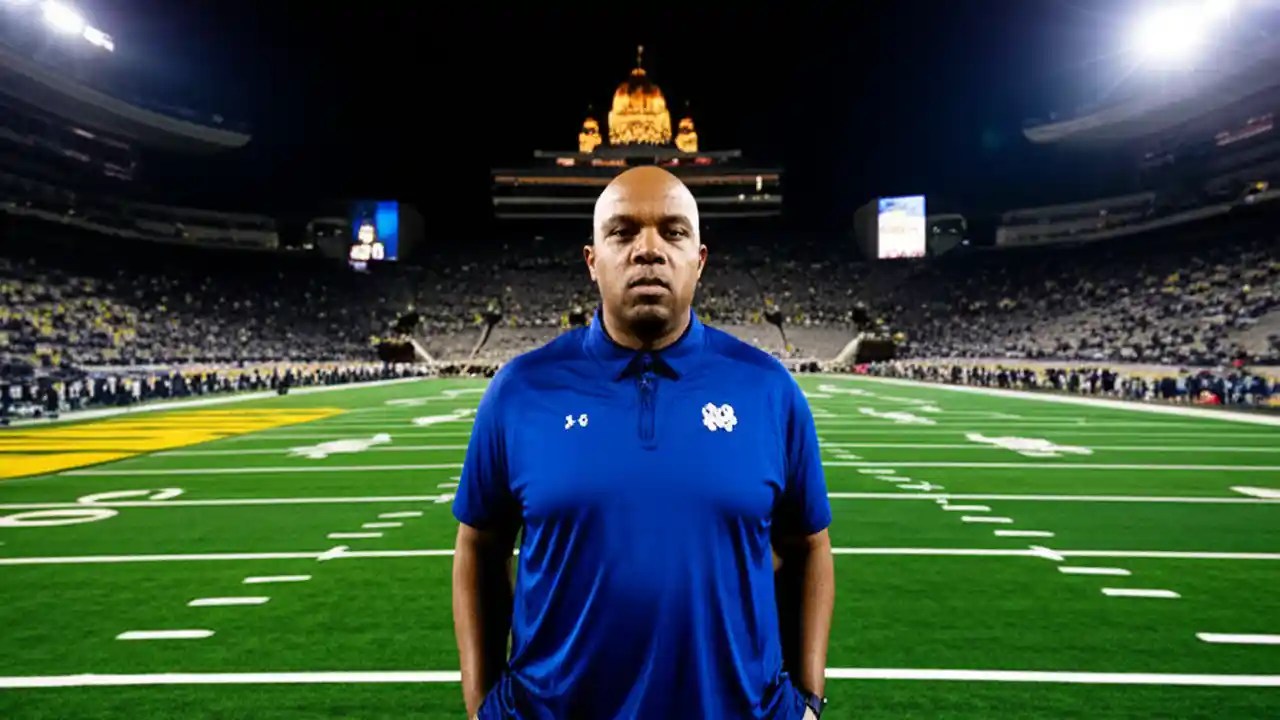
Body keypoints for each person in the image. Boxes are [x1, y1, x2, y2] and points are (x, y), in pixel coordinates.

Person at [452, 166, 835, 719]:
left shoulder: (768, 389)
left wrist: (809, 702)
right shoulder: (520, 390)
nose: (648, 250)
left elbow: (809, 547)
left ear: (699, 260)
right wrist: (482, 706)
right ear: (592, 260)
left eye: (673, 232)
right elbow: (479, 549)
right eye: (624, 232)